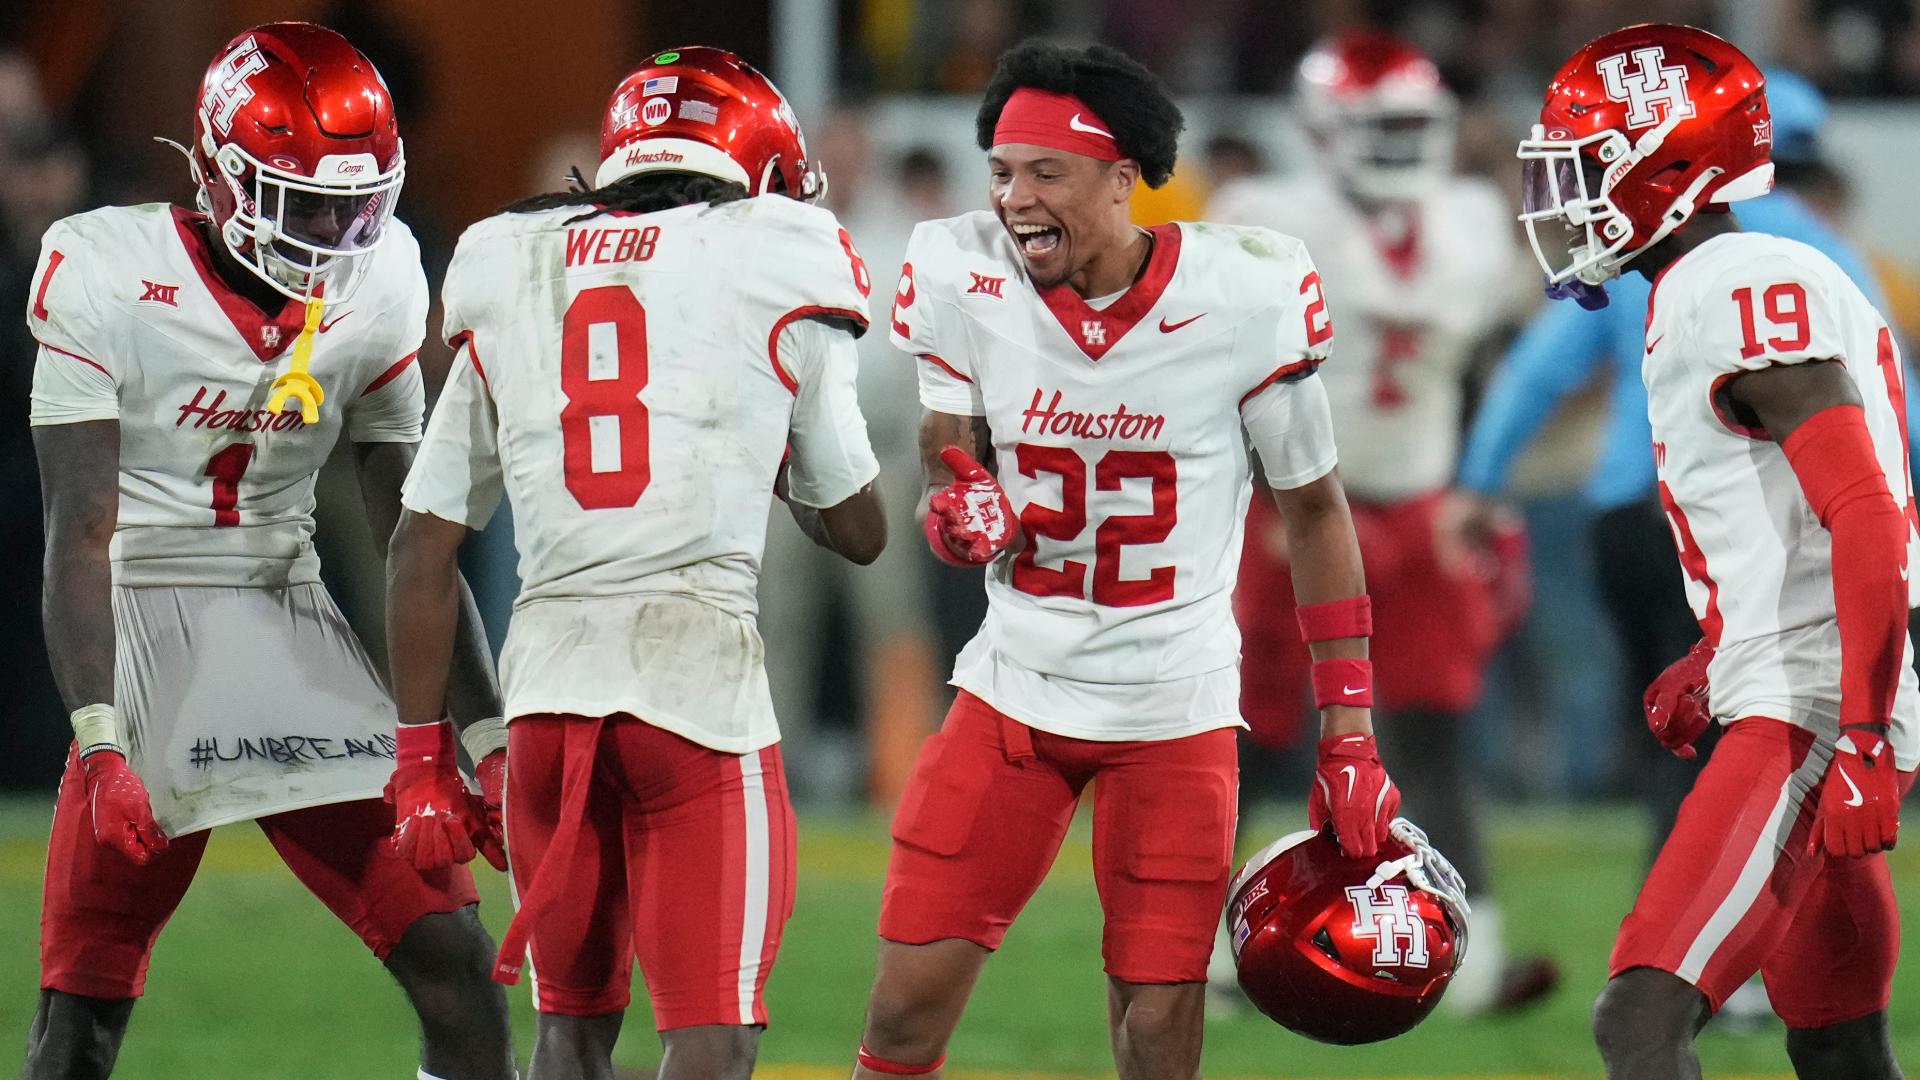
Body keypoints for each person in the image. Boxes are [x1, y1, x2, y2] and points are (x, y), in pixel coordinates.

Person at [849, 40, 1397, 1078]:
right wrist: (954, 491)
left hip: (1173, 707)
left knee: (1156, 1033)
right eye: (1002, 171)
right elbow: (946, 441)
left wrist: (1351, 731)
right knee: (905, 1009)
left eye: (1045, 172)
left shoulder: (1244, 294)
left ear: (1121, 178)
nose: (1014, 198)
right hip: (1012, 692)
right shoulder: (964, 270)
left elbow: (1316, 510)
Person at [383, 47, 886, 1080]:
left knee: (569, 1030)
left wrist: (422, 760)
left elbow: (421, 545)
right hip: (696, 692)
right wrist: (765, 440)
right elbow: (857, 526)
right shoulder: (779, 250)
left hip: (546, 701)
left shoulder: (509, 255)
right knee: (713, 1033)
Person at [22, 23, 512, 1080]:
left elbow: (414, 532)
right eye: (305, 204)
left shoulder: (384, 278)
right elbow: (82, 532)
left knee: (459, 963)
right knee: (82, 1017)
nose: (337, 232)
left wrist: (486, 737)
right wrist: (100, 740)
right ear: (217, 174)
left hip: (285, 611)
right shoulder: (103, 267)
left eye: (358, 204)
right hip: (143, 617)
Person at [1516, 25, 1915, 1079]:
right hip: (1806, 684)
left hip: (1812, 707)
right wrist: (1716, 653)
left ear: (1672, 167)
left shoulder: (1733, 284)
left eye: (1590, 166)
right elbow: (1802, 517)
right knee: (1838, 1046)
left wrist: (1863, 734)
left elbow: (1866, 514)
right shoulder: (1730, 277)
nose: (1567, 197)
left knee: (1639, 1018)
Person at [1459, 66, 1913, 860]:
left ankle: (1691, 897)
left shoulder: (1666, 244)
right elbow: (1891, 390)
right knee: (1747, 735)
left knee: (1698, 742)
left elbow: (1539, 369)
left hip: (1638, 519)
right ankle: (1716, 906)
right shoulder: (1816, 248)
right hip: (1759, 533)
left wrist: (1478, 479)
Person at [1208, 28, 1553, 1016]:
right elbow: (1212, 371)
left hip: (1422, 506)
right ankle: (1206, 951)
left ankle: (1472, 961)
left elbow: (1495, 362)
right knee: (1246, 737)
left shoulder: (1473, 218)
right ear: (1322, 130)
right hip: (1299, 512)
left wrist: (1479, 490)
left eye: (1410, 127)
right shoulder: (1264, 216)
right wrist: (1247, 489)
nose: (1400, 148)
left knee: (1434, 732)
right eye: (1380, 128)